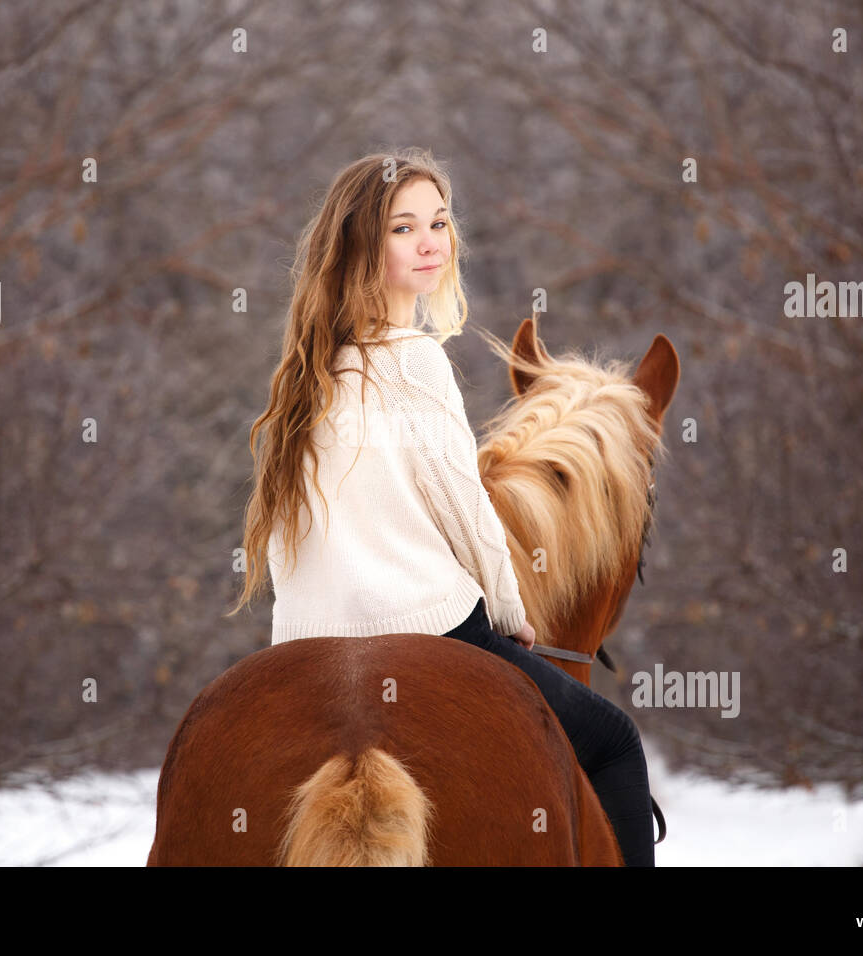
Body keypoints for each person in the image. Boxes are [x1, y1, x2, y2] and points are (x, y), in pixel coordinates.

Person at [229, 148, 655, 865]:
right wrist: (513, 617)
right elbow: (467, 512)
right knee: (616, 744)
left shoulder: (305, 377)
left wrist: (294, 643)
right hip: (438, 629)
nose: (430, 241)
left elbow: (283, 546)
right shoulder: (418, 360)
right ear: (363, 245)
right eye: (403, 228)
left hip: (305, 643)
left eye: (440, 221)